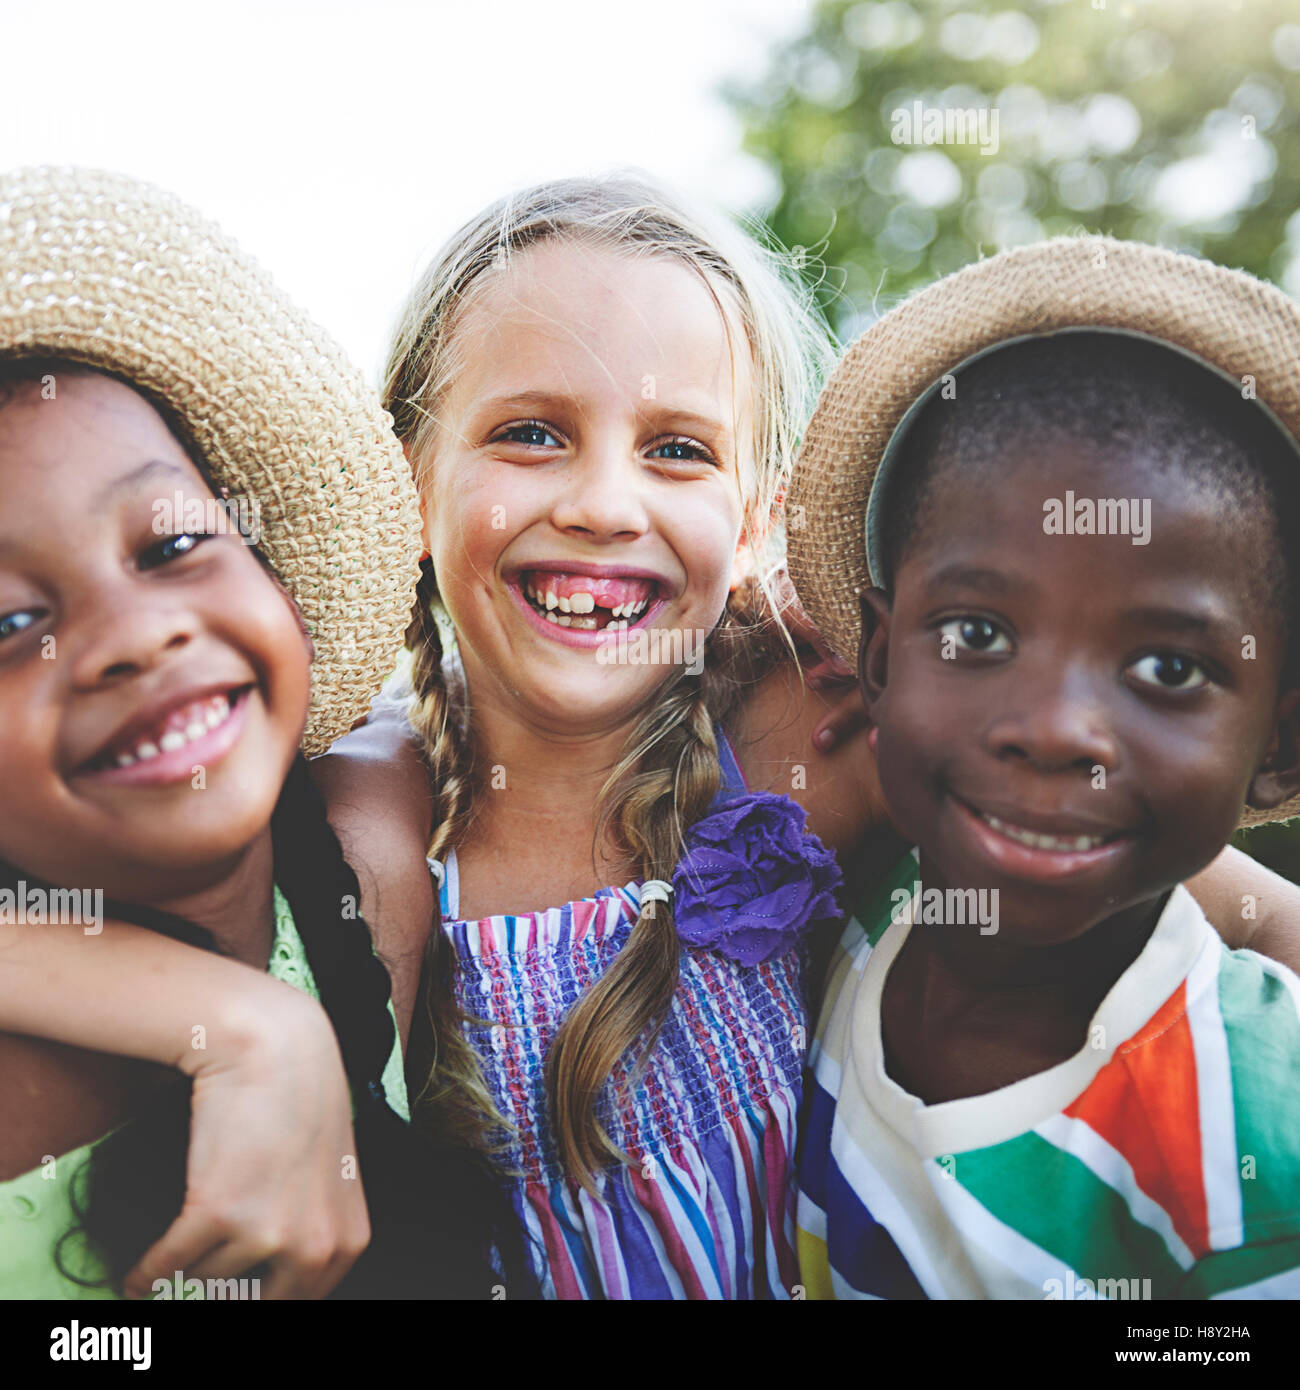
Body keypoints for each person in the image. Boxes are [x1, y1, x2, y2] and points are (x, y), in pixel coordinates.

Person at [10, 182, 1300, 1300]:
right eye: (530, 432)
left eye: (678, 450)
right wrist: (236, 1021)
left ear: (753, 524)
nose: (601, 501)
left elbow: (1228, 908)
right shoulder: (369, 805)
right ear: (410, 477)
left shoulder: (821, 730)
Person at [0, 167, 530, 1299]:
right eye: (9, 620)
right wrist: (238, 1024)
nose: (134, 637)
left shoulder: (368, 840)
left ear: (276, 577)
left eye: (172, 544)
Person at [789, 238, 1300, 1299]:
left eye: (1166, 666)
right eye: (975, 634)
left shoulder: (1258, 1142)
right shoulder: (854, 883)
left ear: (1279, 747)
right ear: (878, 661)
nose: (1056, 729)